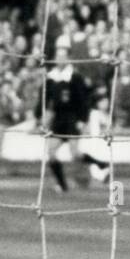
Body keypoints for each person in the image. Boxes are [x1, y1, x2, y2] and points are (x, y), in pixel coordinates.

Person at [36, 37, 94, 193]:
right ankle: (62, 185)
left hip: (72, 118)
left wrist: (83, 120)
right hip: (58, 119)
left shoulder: (75, 77)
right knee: (51, 152)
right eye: (58, 57)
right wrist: (40, 117)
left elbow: (84, 101)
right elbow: (44, 99)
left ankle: (100, 165)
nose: (60, 59)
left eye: (63, 57)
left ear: (68, 59)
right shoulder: (51, 78)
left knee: (75, 154)